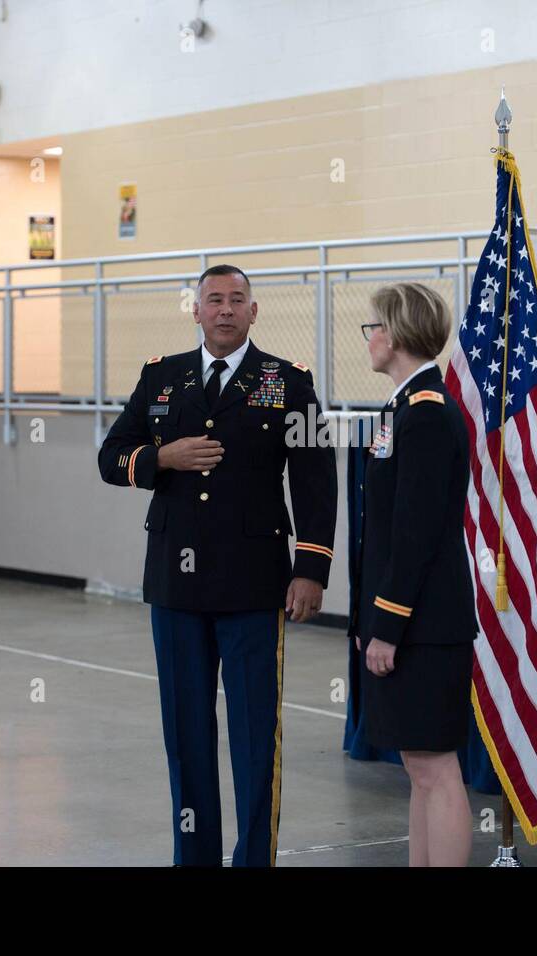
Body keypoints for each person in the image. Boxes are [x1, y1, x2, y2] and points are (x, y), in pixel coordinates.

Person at [97, 264, 337, 867]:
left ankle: (254, 859)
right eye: (214, 300)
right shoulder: (162, 377)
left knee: (257, 736)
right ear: (196, 311)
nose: (225, 310)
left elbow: (316, 481)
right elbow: (110, 456)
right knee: (186, 734)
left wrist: (310, 569)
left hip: (254, 584)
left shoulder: (287, 382)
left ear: (254, 312)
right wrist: (162, 457)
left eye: (237, 301)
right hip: (175, 588)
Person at [350, 281, 476, 867]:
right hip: (412, 621)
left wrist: (388, 625)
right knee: (418, 768)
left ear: (395, 334)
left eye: (372, 325)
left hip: (425, 624)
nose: (368, 337)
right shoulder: (404, 407)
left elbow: (414, 534)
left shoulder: (425, 413)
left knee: (434, 768)